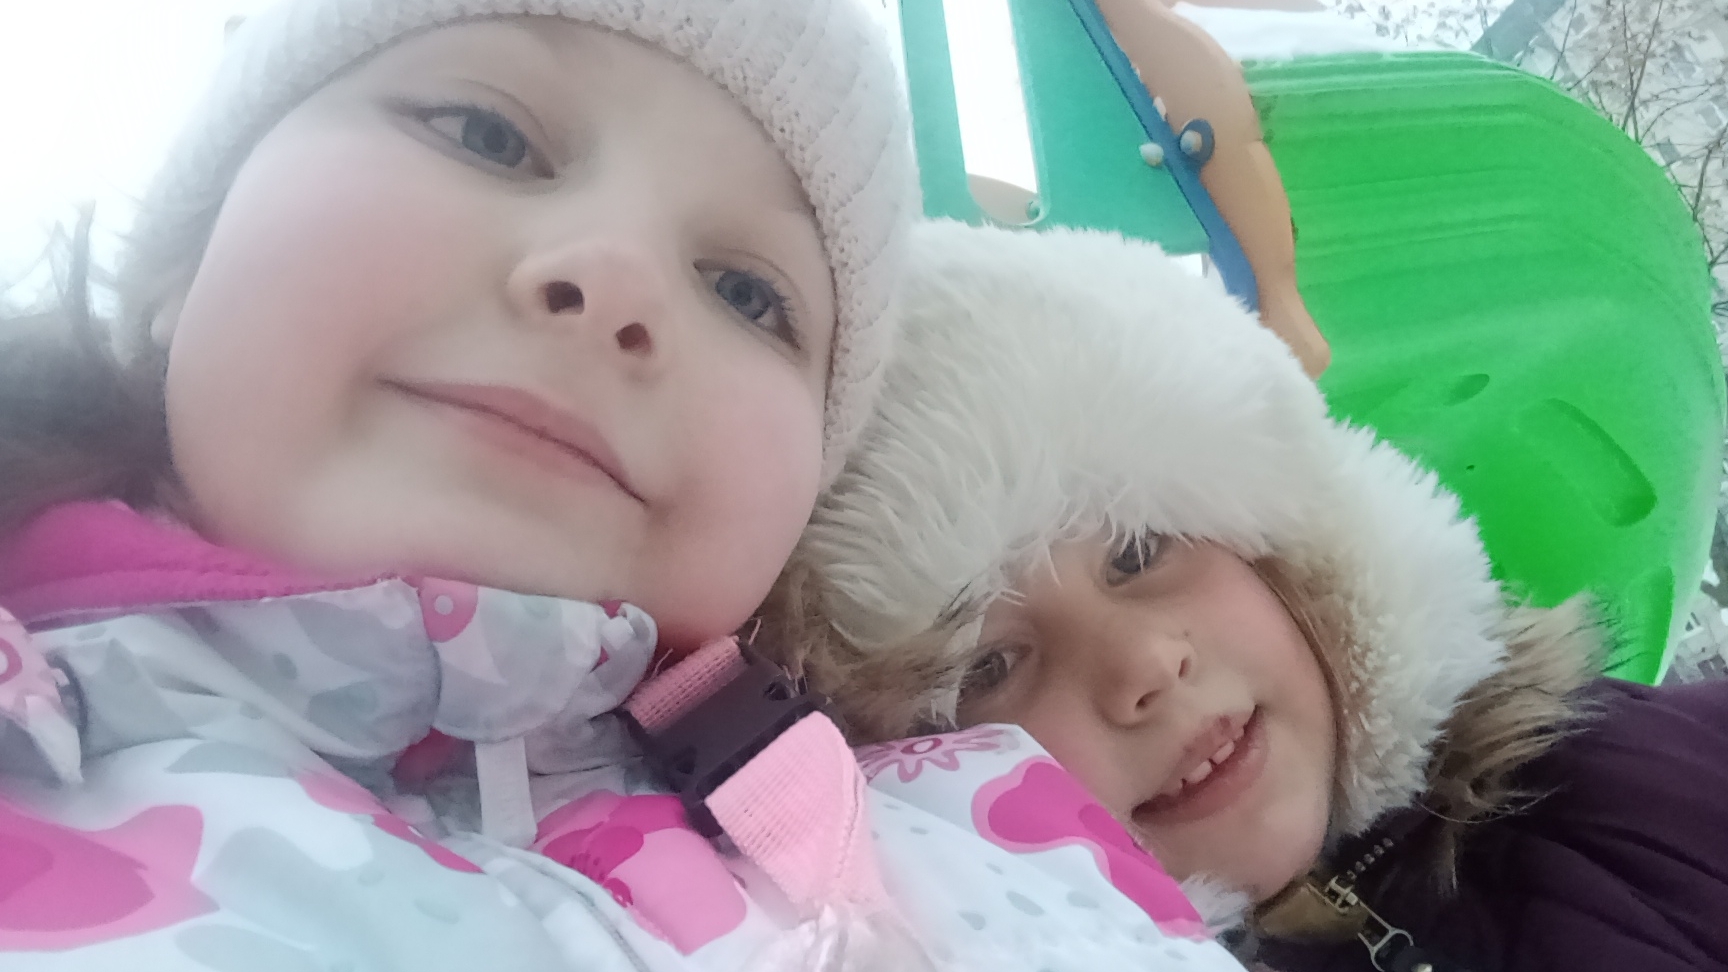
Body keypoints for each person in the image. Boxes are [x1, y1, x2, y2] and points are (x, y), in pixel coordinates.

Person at [0, 0, 922, 966]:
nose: (617, 279)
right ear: (184, 264)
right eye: (487, 135)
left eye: (746, 293)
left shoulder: (940, 832)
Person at [764, 218, 1728, 971]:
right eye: (989, 668)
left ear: (1283, 549)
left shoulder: (1643, 776)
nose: (1146, 664)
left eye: (1139, 551)